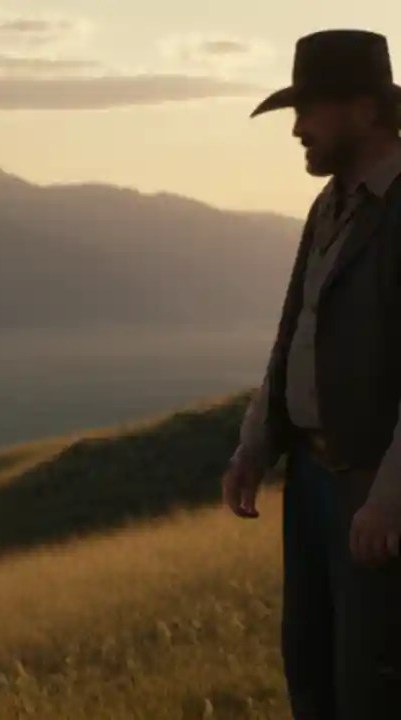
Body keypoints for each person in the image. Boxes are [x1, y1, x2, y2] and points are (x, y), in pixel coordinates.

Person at [224, 28, 401, 719]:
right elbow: (293, 336)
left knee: (374, 685)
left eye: (311, 108)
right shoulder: (328, 207)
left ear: (365, 110)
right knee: (312, 671)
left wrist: (390, 499)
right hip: (313, 487)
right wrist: (254, 446)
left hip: (371, 494)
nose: (297, 128)